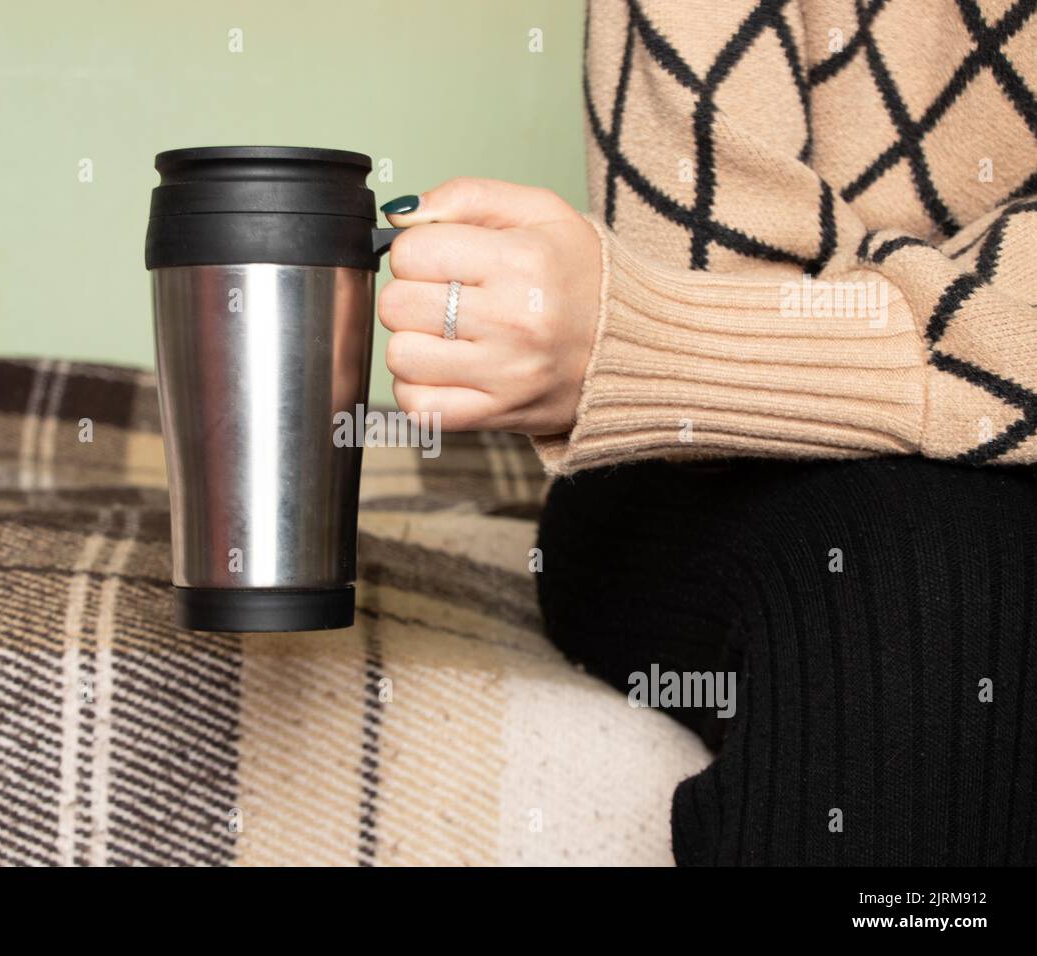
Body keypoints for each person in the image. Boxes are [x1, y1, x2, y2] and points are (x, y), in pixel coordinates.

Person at [377, 0, 1037, 865]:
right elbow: (720, 275)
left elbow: (714, 319)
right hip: (717, 478)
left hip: (722, 398)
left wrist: (645, 331)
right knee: (933, 577)